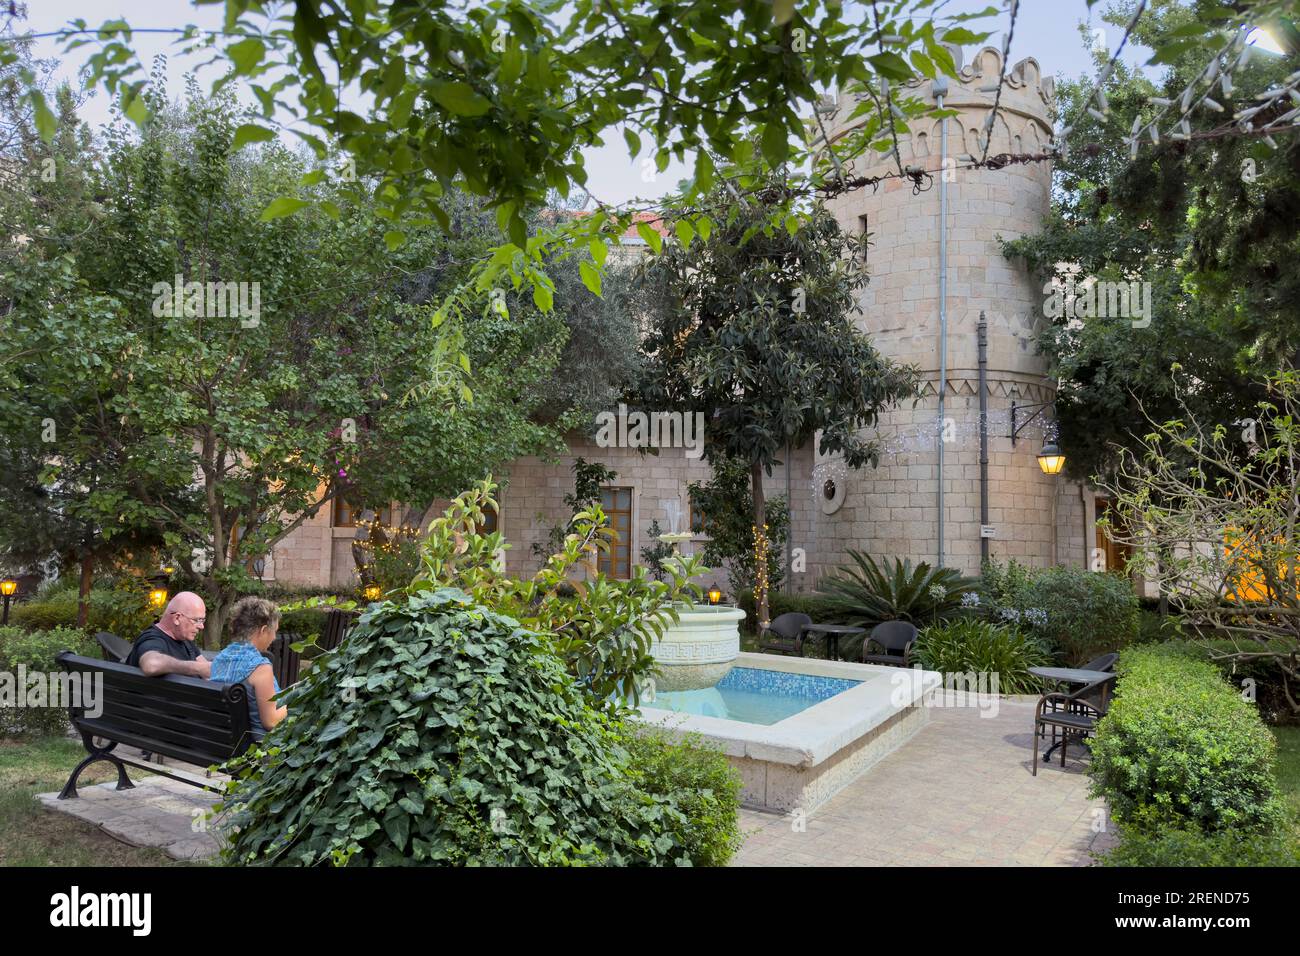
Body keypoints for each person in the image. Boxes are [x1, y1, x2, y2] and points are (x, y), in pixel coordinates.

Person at [208, 596, 286, 740]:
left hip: (222, 745)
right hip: (257, 751)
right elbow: (271, 721)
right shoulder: (260, 667)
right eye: (274, 631)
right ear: (263, 630)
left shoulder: (219, 660)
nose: (274, 637)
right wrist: (296, 701)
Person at [126, 591, 212, 680]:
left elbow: (207, 670)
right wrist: (196, 668)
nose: (201, 626)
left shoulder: (184, 639)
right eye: (197, 620)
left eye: (202, 620)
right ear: (177, 618)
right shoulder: (152, 639)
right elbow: (151, 664)